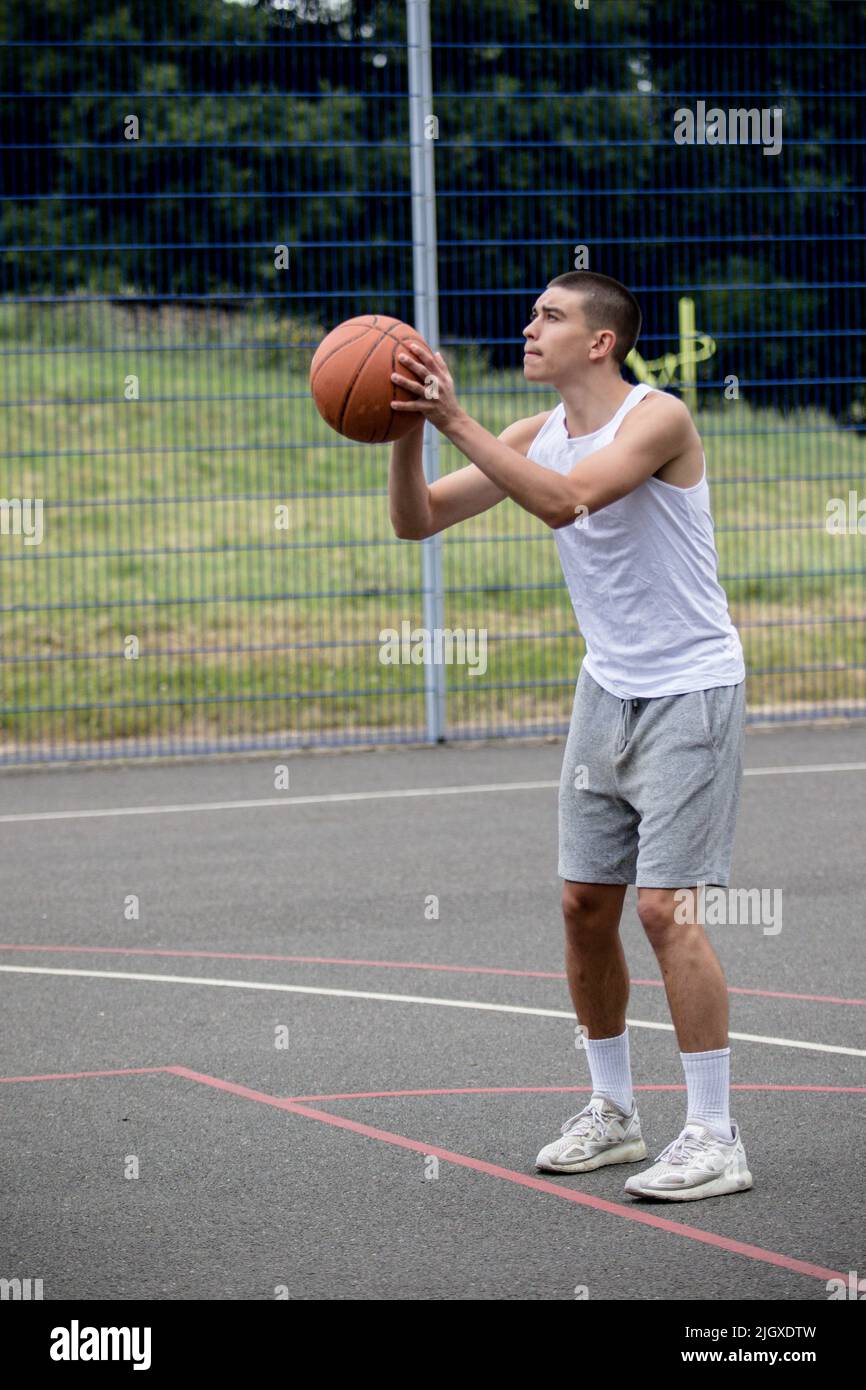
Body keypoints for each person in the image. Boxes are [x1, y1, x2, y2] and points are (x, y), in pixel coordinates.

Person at [387, 270, 752, 1201]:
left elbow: (564, 503)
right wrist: (406, 437)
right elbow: (418, 520)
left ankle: (715, 1134)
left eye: (550, 316)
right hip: (607, 692)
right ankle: (615, 1113)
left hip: (688, 690)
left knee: (665, 910)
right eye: (532, 312)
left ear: (600, 341)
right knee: (585, 905)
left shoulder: (656, 419)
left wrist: (453, 419)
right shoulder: (530, 435)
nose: (528, 326)